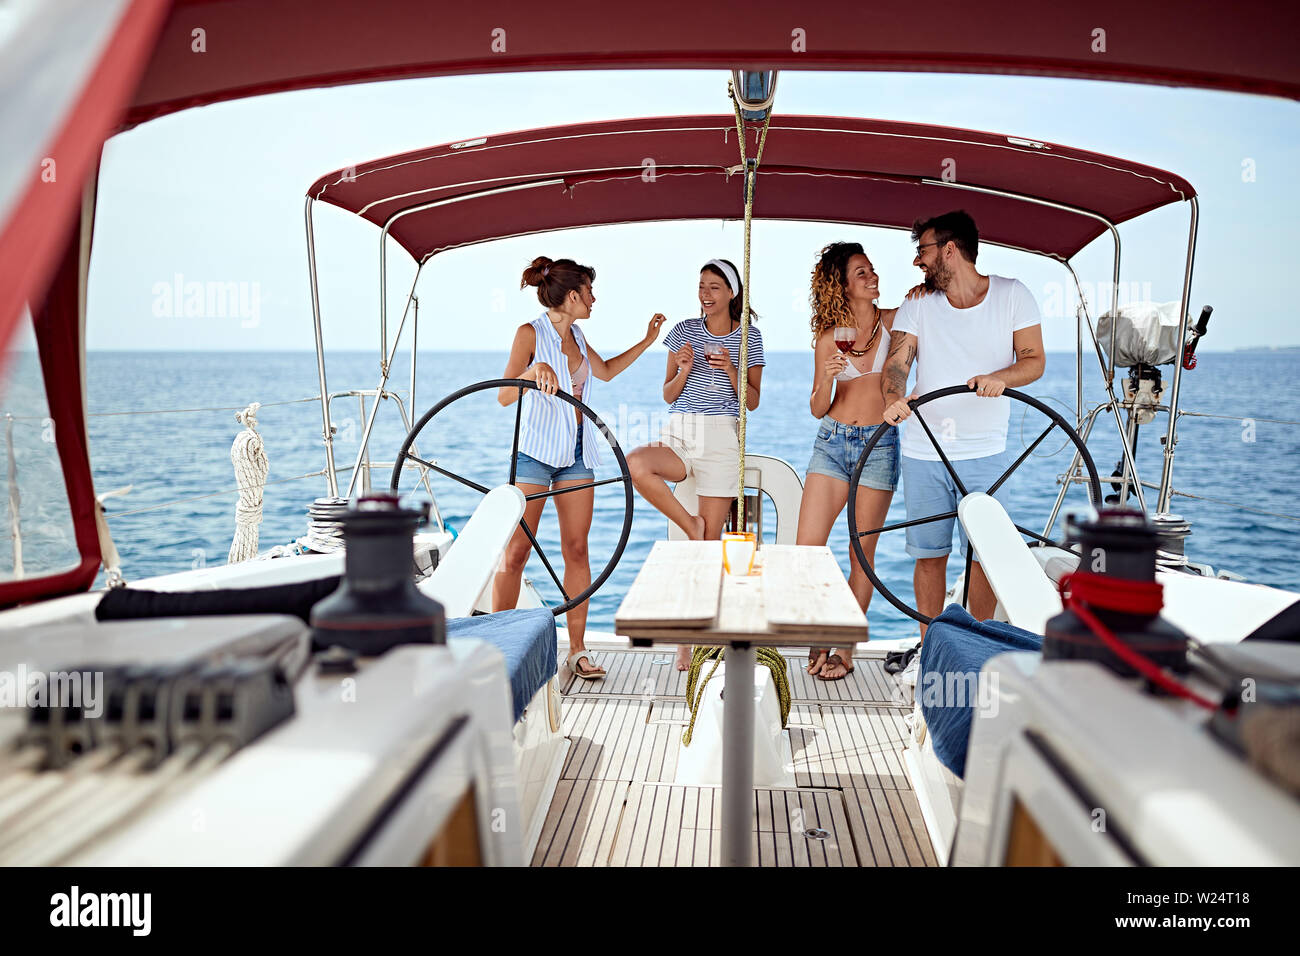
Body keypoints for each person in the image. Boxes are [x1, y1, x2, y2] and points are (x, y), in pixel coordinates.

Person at [494, 256, 666, 680]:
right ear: (572, 296)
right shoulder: (528, 333)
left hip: (576, 453)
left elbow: (604, 372)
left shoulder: (578, 334)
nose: (594, 298)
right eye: (589, 291)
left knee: (577, 549)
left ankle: (577, 650)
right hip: (535, 453)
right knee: (516, 551)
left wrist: (646, 341)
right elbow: (503, 396)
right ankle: (500, 648)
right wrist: (532, 371)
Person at [881, 210, 1045, 637]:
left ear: (949, 251)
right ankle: (930, 647)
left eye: (923, 251)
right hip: (924, 451)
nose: (918, 262)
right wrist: (895, 399)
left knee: (985, 557)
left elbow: (1033, 360)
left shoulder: (1013, 295)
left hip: (986, 453)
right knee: (929, 556)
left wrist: (1000, 379)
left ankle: (978, 647)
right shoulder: (917, 303)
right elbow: (897, 365)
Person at [626, 258, 765, 669]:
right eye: (701, 286)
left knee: (705, 552)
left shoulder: (749, 337)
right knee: (636, 464)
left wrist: (732, 369)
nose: (705, 294)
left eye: (714, 288)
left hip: (723, 436)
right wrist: (684, 370)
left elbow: (752, 401)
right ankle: (691, 524)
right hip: (681, 432)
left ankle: (691, 643)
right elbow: (668, 395)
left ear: (732, 293)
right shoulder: (683, 332)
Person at [796, 242, 901, 681]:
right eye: (861, 273)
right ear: (842, 284)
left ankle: (845, 649)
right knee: (807, 552)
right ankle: (820, 627)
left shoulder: (895, 323)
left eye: (872, 270)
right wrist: (827, 376)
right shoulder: (828, 338)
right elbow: (818, 406)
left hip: (879, 443)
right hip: (832, 442)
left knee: (862, 553)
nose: (872, 277)